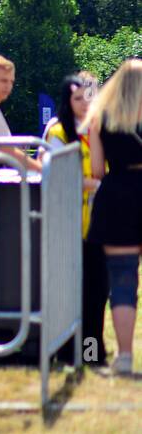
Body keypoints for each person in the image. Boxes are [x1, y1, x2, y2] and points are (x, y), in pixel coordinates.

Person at [41, 72, 108, 366]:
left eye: (88, 97)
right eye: (77, 98)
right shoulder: (56, 131)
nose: (83, 104)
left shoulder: (102, 128)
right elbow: (57, 173)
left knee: (96, 295)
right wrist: (94, 184)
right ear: (67, 101)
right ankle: (66, 351)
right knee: (68, 295)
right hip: (66, 228)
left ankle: (92, 353)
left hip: (99, 225)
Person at [84, 60, 142, 374]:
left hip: (117, 195)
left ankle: (124, 357)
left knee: (122, 281)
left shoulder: (100, 117)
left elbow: (96, 169)